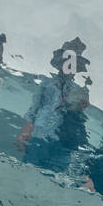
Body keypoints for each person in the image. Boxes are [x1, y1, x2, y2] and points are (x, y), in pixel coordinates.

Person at [15, 38, 91, 173]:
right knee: (30, 169)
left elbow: (78, 114)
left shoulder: (78, 90)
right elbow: (34, 108)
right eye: (67, 61)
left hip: (62, 139)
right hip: (41, 133)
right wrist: (26, 132)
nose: (69, 66)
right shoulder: (46, 83)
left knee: (54, 175)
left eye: (73, 63)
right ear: (61, 63)